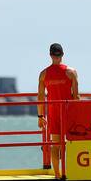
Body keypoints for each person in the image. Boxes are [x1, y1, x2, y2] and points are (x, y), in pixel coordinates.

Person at [36, 43, 81, 171]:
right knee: (70, 143)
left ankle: (57, 175)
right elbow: (76, 97)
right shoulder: (71, 72)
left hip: (53, 112)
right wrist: (79, 114)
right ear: (62, 54)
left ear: (50, 55)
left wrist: (40, 116)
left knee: (55, 145)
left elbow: (40, 97)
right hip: (68, 112)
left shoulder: (43, 74)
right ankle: (69, 173)